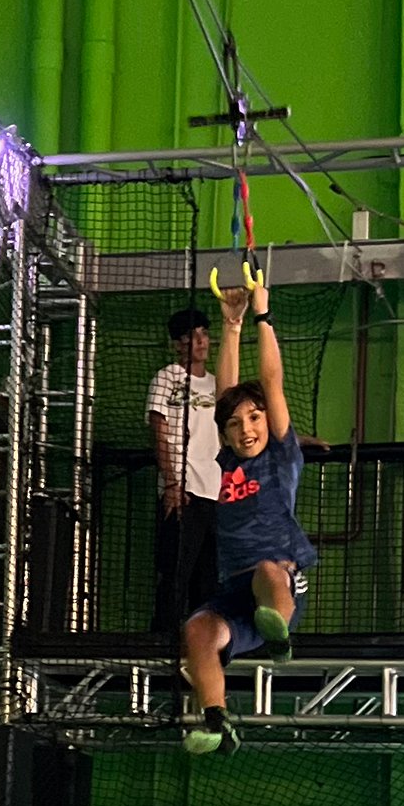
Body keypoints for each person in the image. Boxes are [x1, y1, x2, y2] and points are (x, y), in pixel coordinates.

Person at [182, 280, 317, 756]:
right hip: (234, 592)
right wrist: (231, 325)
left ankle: (279, 633)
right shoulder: (228, 459)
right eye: (236, 424)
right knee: (198, 629)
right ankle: (217, 722)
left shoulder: (281, 454)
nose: (246, 429)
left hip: (278, 579)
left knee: (267, 573)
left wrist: (262, 317)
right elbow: (227, 392)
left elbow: (271, 381)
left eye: (255, 418)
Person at [146, 306, 221, 634]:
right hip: (183, 490)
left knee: (208, 577)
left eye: (204, 334)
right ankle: (163, 638)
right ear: (178, 344)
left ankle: (202, 642)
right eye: (192, 336)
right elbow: (158, 429)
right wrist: (172, 483)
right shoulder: (167, 377)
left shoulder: (217, 384)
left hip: (214, 492)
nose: (201, 341)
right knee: (175, 571)